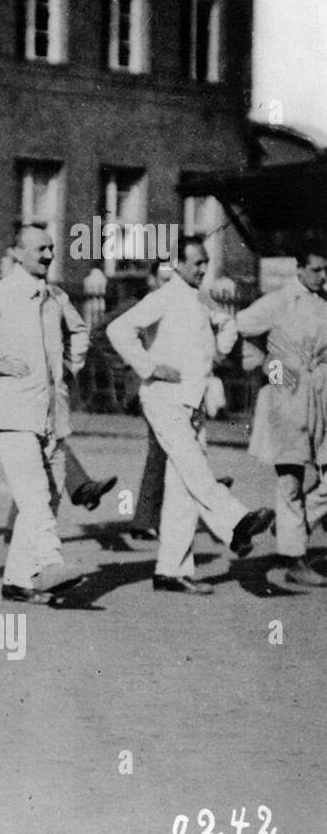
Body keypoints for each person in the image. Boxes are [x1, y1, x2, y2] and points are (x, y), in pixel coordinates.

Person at [107, 238, 275, 594]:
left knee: (183, 489)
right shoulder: (164, 296)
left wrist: (216, 354)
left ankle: (171, 571)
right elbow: (118, 330)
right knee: (195, 470)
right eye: (196, 263)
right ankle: (236, 521)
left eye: (205, 263)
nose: (202, 269)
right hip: (164, 401)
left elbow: (219, 333)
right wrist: (150, 366)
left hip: (189, 404)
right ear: (176, 264)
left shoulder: (197, 300)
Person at [0, 223, 89, 603]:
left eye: (50, 249)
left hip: (52, 414)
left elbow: (79, 330)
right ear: (17, 254)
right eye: (39, 249)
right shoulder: (3, 292)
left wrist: (72, 365)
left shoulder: (56, 295)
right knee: (34, 492)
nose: (47, 255)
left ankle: (18, 581)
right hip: (13, 411)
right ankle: (50, 563)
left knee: (50, 493)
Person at [236, 242, 327, 586]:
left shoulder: (323, 302)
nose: (323, 276)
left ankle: (292, 529)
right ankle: (294, 559)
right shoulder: (279, 300)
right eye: (316, 269)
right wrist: (268, 369)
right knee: (290, 480)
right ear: (299, 269)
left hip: (321, 397)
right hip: (286, 398)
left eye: (326, 270)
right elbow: (238, 328)